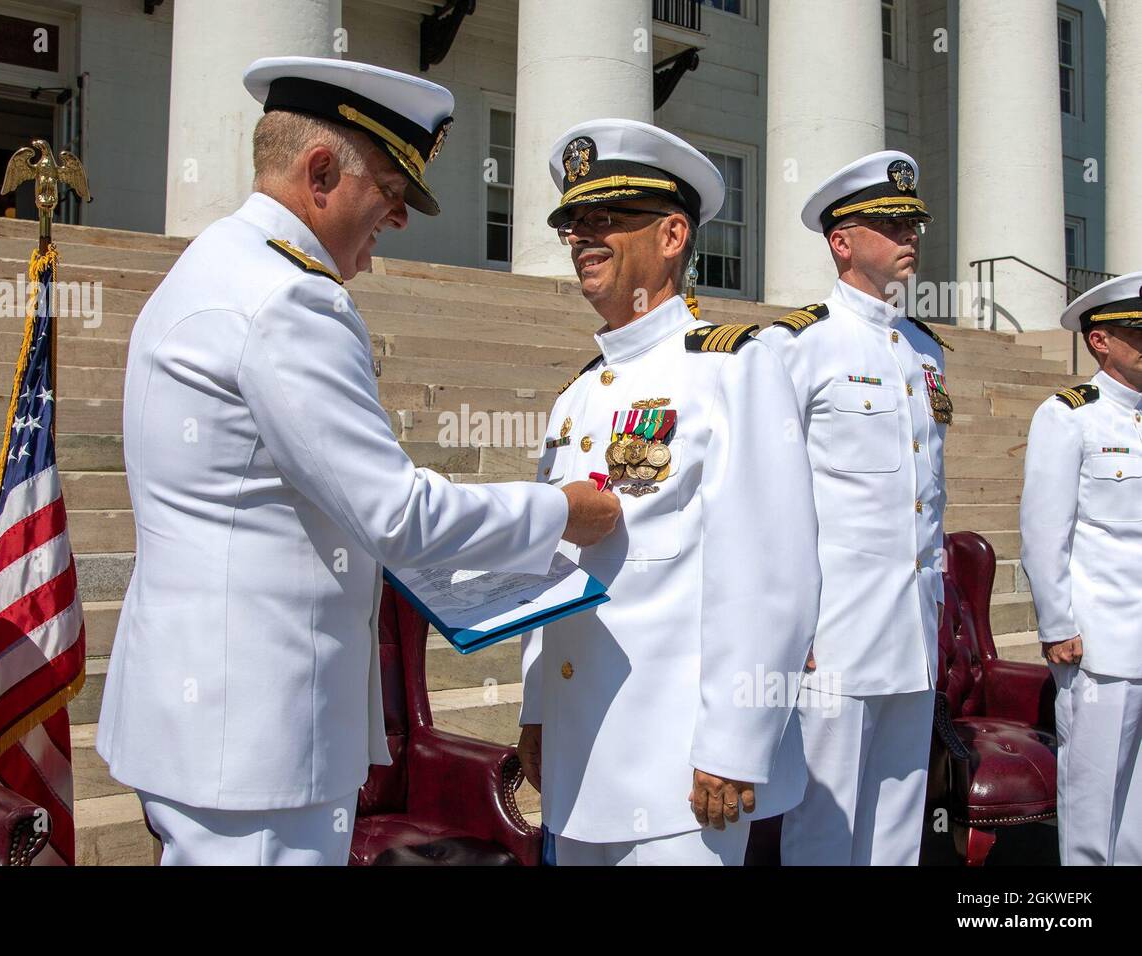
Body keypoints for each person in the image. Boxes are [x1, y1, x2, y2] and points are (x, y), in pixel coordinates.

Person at [95, 57, 619, 866]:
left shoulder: (210, 265)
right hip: (259, 741)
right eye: (390, 193)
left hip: (201, 721)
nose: (399, 221)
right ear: (320, 171)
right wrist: (562, 511)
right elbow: (397, 515)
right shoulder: (290, 299)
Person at [516, 119, 821, 866]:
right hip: (581, 753)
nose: (582, 237)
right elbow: (550, 571)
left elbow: (772, 572)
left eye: (605, 220)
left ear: (673, 235)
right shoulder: (576, 396)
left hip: (684, 771)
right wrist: (535, 709)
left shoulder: (731, 368)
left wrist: (736, 742)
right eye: (572, 224)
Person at [759, 151, 949, 866]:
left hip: (912, 624)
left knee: (899, 826)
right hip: (834, 630)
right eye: (892, 223)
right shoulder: (795, 345)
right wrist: (788, 623)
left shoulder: (925, 350)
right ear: (842, 241)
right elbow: (772, 500)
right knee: (824, 831)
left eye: (914, 223)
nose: (910, 236)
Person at [1021, 271, 1142, 866]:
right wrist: (1057, 624)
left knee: (1139, 815)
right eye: (1137, 334)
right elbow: (1045, 532)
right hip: (1100, 646)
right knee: (1093, 808)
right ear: (1101, 341)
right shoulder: (1070, 415)